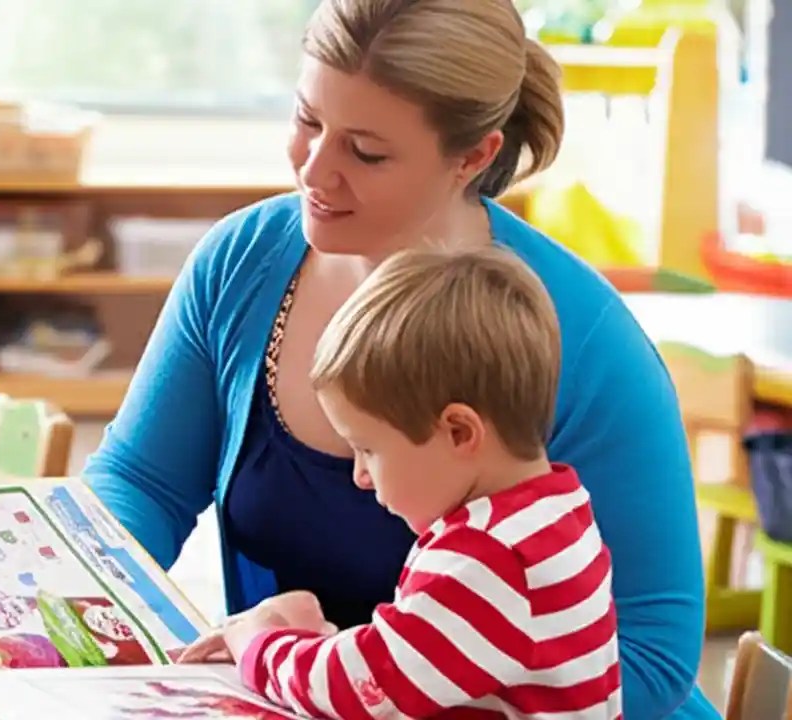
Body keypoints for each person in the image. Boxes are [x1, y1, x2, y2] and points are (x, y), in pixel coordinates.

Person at [83, 0, 713, 716]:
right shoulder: (242, 264)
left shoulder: (582, 338)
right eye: (307, 120)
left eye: (366, 152)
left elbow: (653, 654)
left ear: (473, 157)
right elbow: (142, 482)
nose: (315, 171)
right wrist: (72, 598)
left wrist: (366, 682)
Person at [190, 245, 621, 719]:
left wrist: (260, 642)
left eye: (368, 450)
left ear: (459, 432)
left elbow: (361, 690)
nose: (359, 476)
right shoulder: (555, 512)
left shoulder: (489, 557)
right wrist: (318, 638)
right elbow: (422, 665)